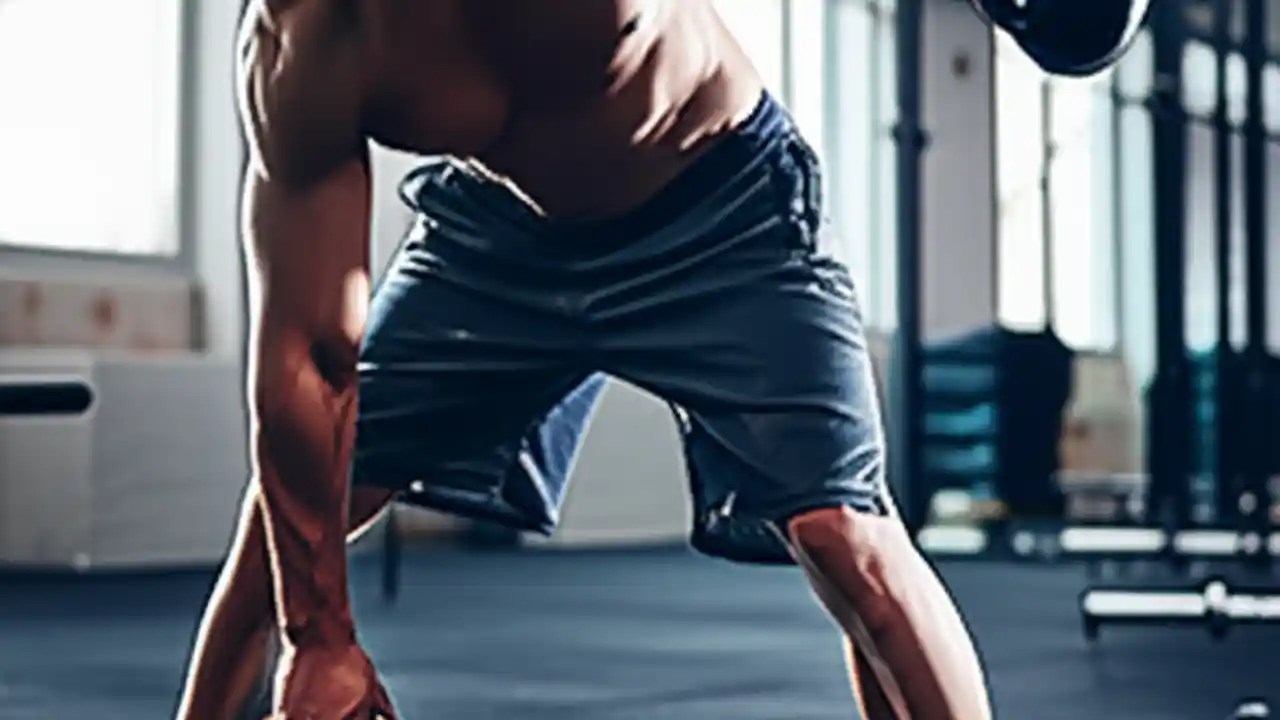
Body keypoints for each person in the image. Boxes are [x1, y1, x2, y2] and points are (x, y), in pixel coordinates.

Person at [177, 0, 993, 718]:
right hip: (497, 242)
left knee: (843, 535)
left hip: (722, 212)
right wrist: (318, 638)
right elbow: (311, 360)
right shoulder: (304, 39)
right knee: (286, 544)